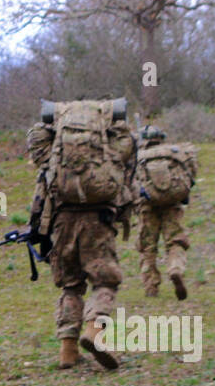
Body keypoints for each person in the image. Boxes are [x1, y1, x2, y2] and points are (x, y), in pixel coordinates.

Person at [27, 99, 136, 370]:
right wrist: (108, 117)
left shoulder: (52, 152)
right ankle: (94, 331)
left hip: (62, 219)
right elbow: (128, 143)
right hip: (99, 218)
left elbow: (35, 139)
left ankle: (68, 350)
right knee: (105, 279)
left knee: (71, 284)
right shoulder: (111, 148)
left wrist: (58, 117)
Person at [134, 125, 196, 299]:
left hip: (147, 206)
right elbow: (191, 174)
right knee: (175, 241)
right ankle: (175, 268)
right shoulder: (174, 153)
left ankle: (151, 287)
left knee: (147, 247)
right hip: (172, 203)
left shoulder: (138, 157)